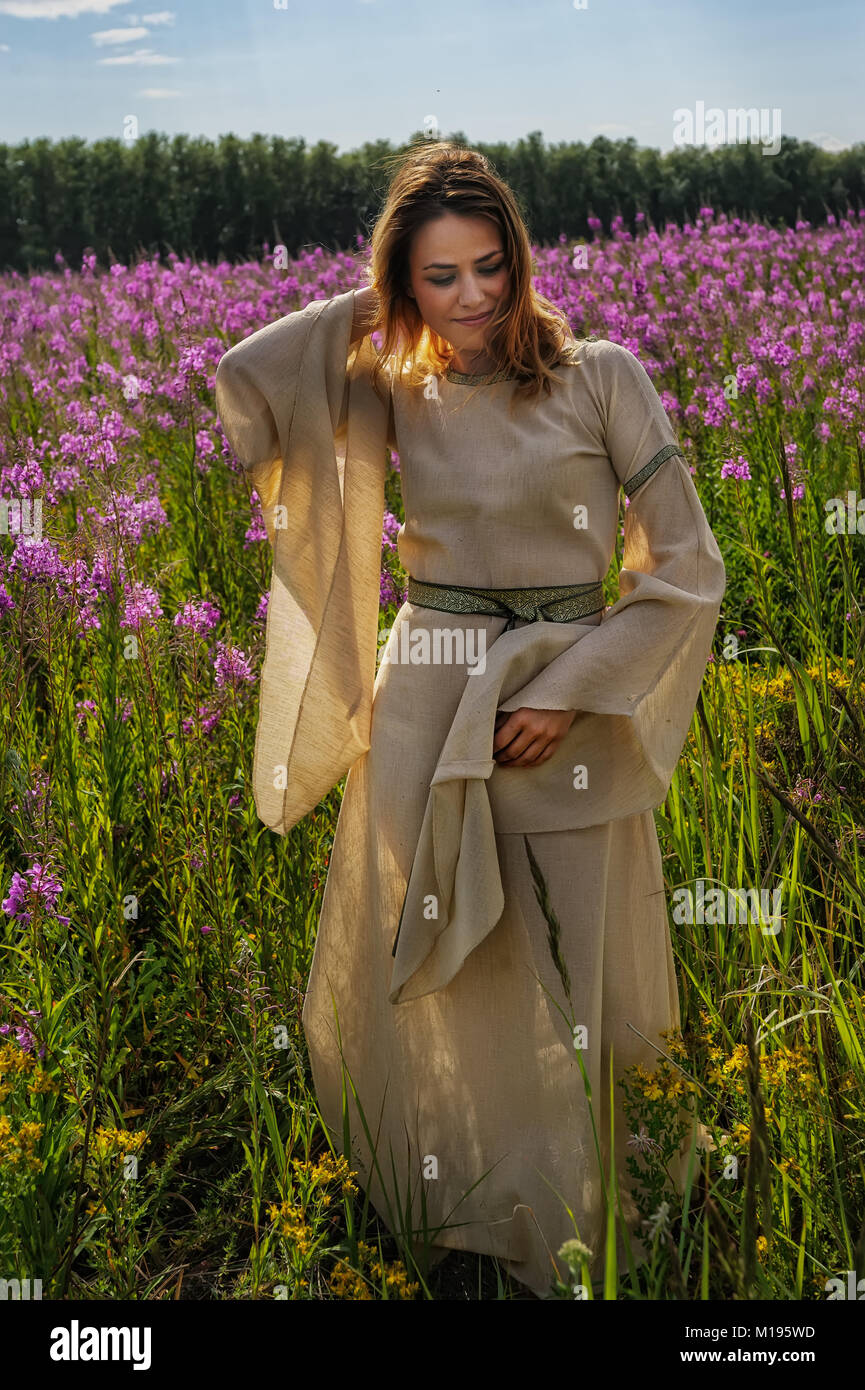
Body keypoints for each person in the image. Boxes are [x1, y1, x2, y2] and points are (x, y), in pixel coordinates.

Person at [214, 141, 726, 1299]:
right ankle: (464, 1203)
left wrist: (568, 686)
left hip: (565, 699)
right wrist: (375, 300)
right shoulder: (396, 380)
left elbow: (691, 568)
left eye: (489, 266)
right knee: (449, 967)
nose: (473, 298)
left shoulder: (603, 375)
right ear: (405, 286)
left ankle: (598, 1205)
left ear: (522, 258)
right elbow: (247, 378)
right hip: (428, 695)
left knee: (569, 955)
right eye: (438, 278)